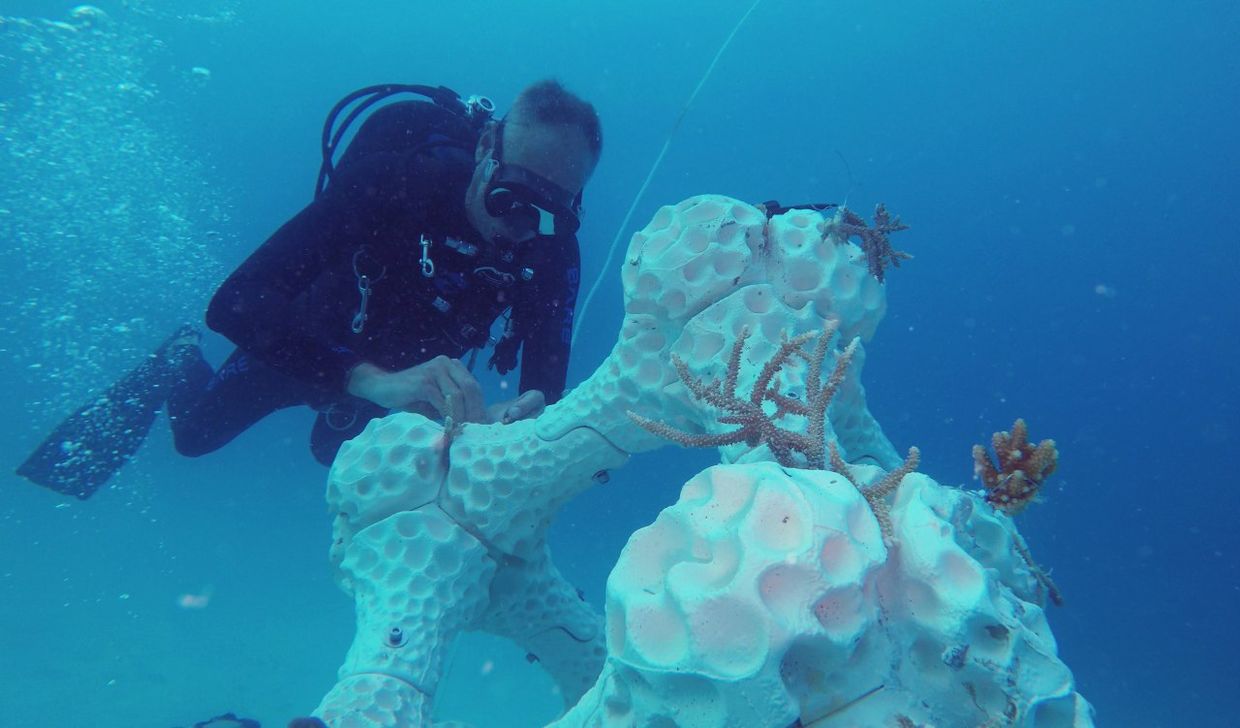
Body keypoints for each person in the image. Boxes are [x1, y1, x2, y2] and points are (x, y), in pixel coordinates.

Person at [19, 79, 602, 499]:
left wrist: (523, 416)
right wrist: (370, 379)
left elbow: (545, 382)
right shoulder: (392, 184)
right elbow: (235, 302)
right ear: (486, 147)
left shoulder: (550, 248)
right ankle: (177, 361)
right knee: (193, 437)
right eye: (510, 196)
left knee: (338, 456)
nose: (519, 225)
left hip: (406, 382)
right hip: (314, 337)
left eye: (550, 213)